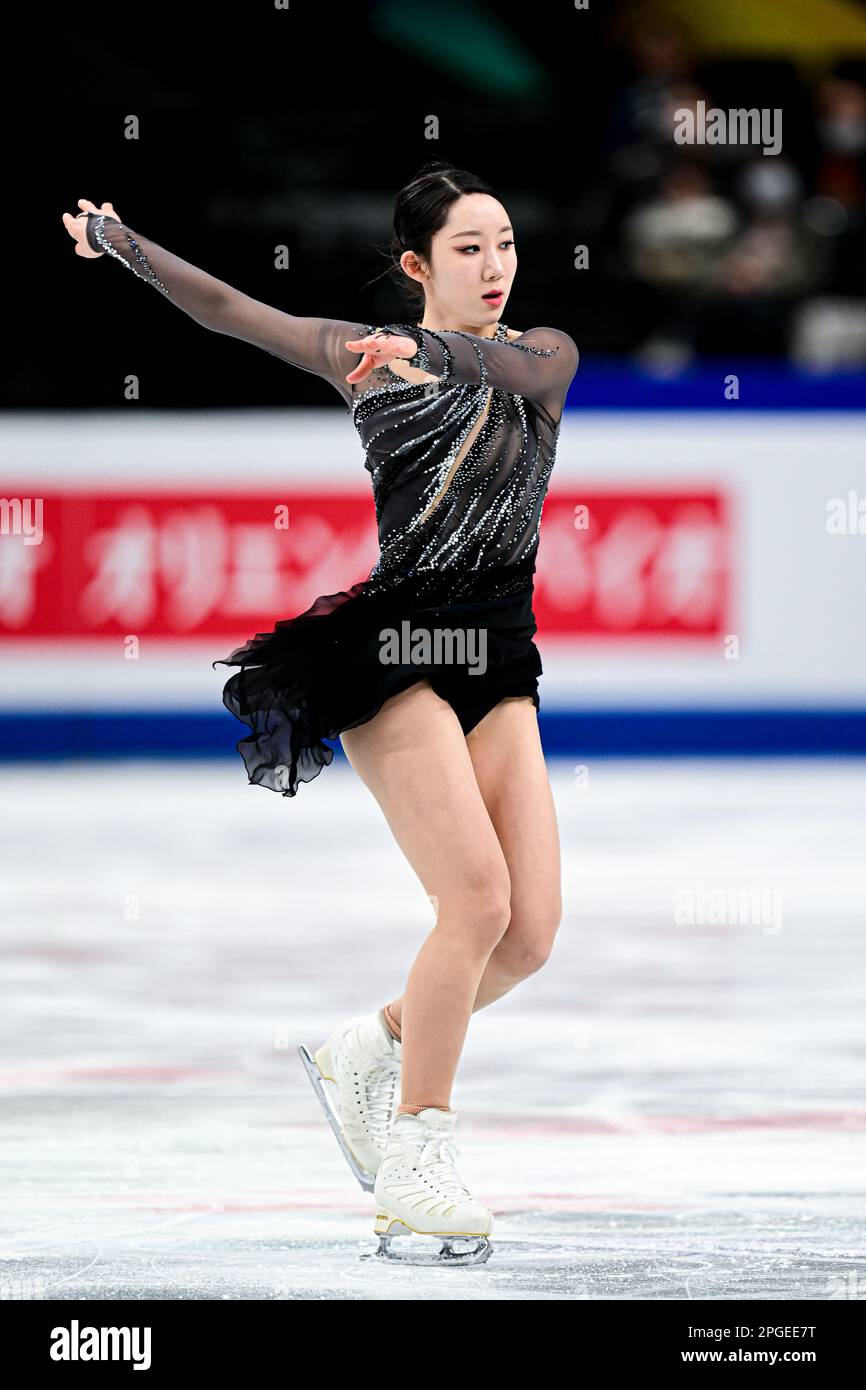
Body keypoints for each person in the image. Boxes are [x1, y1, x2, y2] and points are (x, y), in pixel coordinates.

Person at [62, 160, 579, 1264]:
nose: (494, 265)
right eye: (467, 249)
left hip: (497, 652)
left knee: (530, 935)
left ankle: (371, 1048)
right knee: (476, 901)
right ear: (416, 264)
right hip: (392, 652)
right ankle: (416, 1158)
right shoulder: (359, 356)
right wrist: (123, 244)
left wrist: (428, 353)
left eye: (503, 243)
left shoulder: (544, 355)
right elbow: (228, 308)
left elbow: (498, 361)